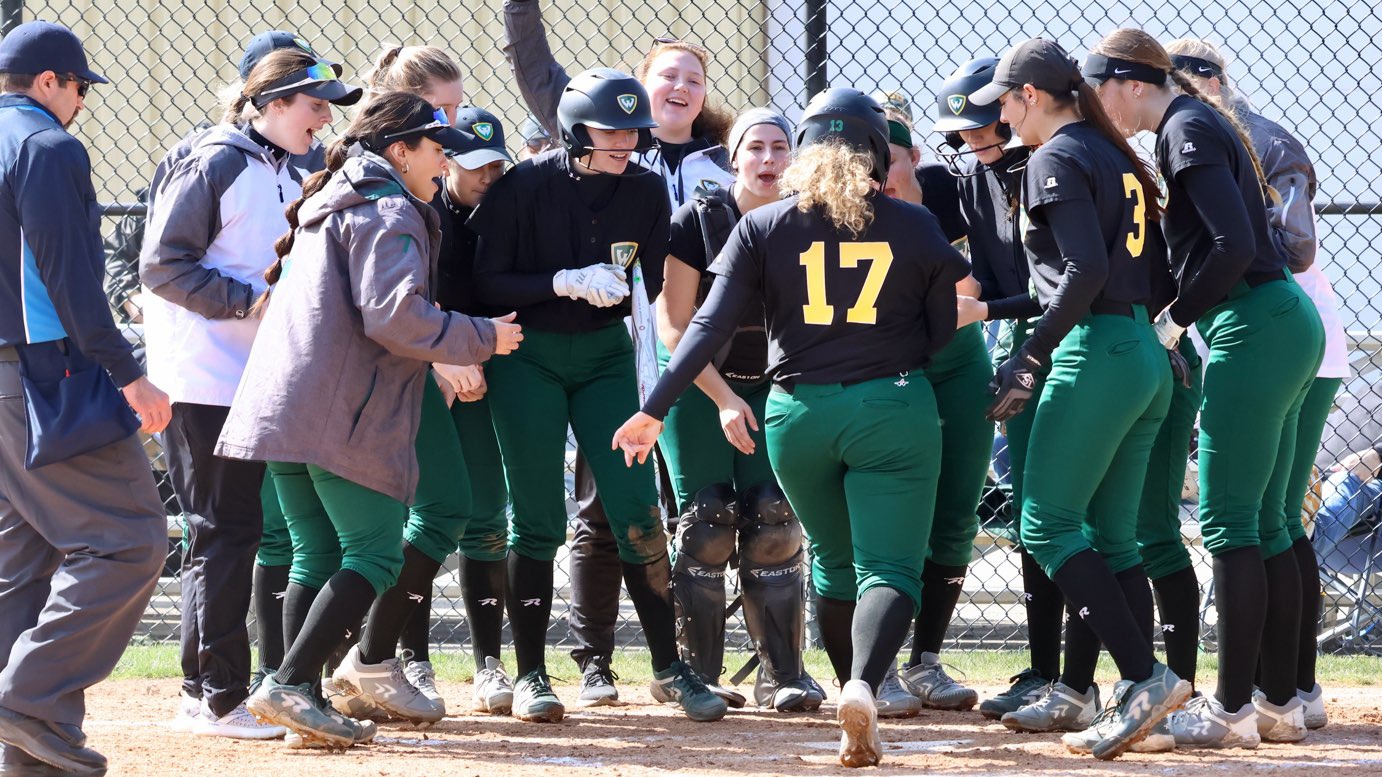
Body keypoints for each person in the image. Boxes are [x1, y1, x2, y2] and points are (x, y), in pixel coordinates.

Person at [614, 87, 971, 767]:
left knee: (834, 562)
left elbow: (709, 324)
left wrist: (653, 405)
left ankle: (845, 686)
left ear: (802, 150)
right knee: (890, 567)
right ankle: (864, 683)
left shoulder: (763, 225)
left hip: (797, 414)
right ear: (875, 153)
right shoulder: (913, 224)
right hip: (891, 404)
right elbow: (939, 330)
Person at [214, 92, 521, 749]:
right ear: (400, 150)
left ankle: (299, 695)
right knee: (376, 550)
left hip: (282, 404)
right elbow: (394, 316)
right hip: (331, 407)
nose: (446, 163)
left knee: (318, 551)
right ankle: (293, 683)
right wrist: (480, 336)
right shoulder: (388, 208)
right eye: (438, 149)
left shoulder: (335, 198)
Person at [1084, 28, 1325, 748]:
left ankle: (1231, 709)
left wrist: (1173, 319)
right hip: (1278, 319)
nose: (1100, 108)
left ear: (1131, 82)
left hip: (1255, 324)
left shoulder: (1183, 129)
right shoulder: (1199, 122)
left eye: (1101, 90)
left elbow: (1234, 245)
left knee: (1228, 522)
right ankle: (1277, 701)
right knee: (1270, 522)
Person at [468, 68, 727, 725]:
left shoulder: (643, 189)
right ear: (575, 130)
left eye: (632, 130)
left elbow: (647, 288)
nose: (626, 141)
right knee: (537, 519)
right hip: (528, 357)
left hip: (606, 358)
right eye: (611, 130)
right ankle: (530, 672)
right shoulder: (524, 186)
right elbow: (486, 279)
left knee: (638, 509)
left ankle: (670, 668)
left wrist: (649, 372)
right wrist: (560, 280)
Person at [968, 38, 1191, 759]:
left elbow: (1084, 269)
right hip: (1142, 355)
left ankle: (1141, 676)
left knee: (1046, 525)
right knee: (1112, 536)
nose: (1000, 118)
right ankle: (1137, 689)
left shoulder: (1056, 156)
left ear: (1030, 96)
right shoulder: (1111, 151)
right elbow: (1143, 269)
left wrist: (1030, 356)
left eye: (1003, 102)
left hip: (1096, 351)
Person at [141, 47, 362, 741]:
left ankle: (200, 689)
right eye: (312, 103)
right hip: (201, 377)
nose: (323, 116)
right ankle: (215, 696)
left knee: (226, 531)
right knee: (225, 531)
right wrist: (247, 302)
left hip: (246, 378)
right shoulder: (218, 159)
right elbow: (160, 264)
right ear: (270, 106)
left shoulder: (287, 166)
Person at [0, 20, 172, 776]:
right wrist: (127, 369)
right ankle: (24, 698)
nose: (79, 103)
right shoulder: (47, 145)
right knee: (130, 537)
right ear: (47, 82)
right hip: (45, 375)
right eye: (77, 88)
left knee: (25, 555)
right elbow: (72, 277)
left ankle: (31, 747)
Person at [327, 46, 513, 726]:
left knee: (439, 511)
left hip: (396, 367)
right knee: (421, 515)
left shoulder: (412, 182)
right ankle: (347, 664)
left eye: (460, 109)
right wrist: (445, 352)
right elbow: (382, 302)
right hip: (371, 374)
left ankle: (353, 663)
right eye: (444, 112)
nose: (455, 127)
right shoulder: (383, 183)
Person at [1166, 37, 1346, 732]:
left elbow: (1295, 245)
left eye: (1200, 78)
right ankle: (1293, 692)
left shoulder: (1250, 138)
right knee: (1273, 517)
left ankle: (1274, 692)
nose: (1196, 91)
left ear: (1216, 80)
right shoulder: (1210, 138)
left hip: (1282, 325)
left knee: (1258, 517)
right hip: (1278, 327)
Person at [657, 107, 824, 712]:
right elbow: (674, 327)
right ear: (732, 159)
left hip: (775, 384)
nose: (769, 160)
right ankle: (697, 675)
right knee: (708, 519)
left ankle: (783, 673)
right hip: (701, 384)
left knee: (774, 517)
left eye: (782, 148)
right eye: (755, 148)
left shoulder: (811, 222)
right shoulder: (698, 220)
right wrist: (724, 398)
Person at [941, 57, 1072, 722]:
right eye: (963, 131)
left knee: (1068, 515)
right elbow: (991, 285)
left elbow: (1062, 284)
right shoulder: (972, 175)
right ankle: (1045, 668)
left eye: (984, 126)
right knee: (1031, 517)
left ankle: (1077, 674)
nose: (975, 140)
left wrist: (991, 311)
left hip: (1070, 343)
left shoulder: (1055, 165)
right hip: (1022, 348)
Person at [875, 108, 989, 719]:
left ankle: (925, 660)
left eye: (887, 158)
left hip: (956, 363)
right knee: (889, 518)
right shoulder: (848, 206)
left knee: (955, 514)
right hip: (893, 367)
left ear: (912, 157)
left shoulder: (949, 192)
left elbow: (973, 289)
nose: (877, 174)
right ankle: (880, 665)